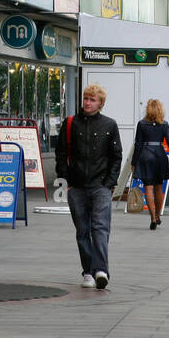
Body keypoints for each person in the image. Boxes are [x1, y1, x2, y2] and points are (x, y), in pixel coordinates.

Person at [57, 84, 123, 289]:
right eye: (86, 98)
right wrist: (65, 180)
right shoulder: (70, 123)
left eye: (92, 99)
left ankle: (101, 270)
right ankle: (88, 272)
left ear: (100, 104)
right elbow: (60, 153)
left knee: (100, 228)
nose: (87, 102)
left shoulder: (109, 125)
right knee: (82, 231)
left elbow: (116, 156)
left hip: (100, 185)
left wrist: (110, 183)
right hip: (76, 186)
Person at [132, 98, 169, 229]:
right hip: (160, 155)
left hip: (145, 155)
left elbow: (137, 144)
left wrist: (134, 162)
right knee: (159, 187)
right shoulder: (164, 124)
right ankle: (158, 215)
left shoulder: (141, 124)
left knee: (148, 187)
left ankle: (152, 217)